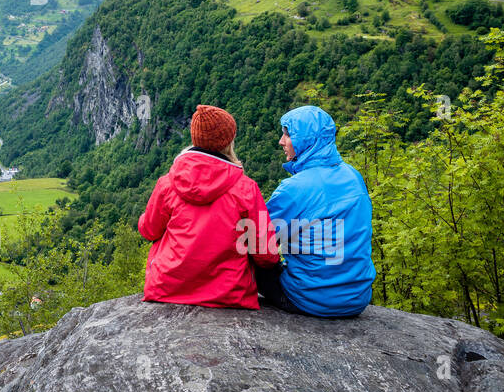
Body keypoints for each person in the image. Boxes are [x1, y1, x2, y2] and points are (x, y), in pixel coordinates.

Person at [139, 105, 280, 308]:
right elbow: (266, 253)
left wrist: (144, 217)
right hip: (228, 293)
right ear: (229, 140)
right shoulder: (246, 188)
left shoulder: (167, 183)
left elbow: (149, 231)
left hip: (168, 288)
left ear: (195, 138)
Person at [254, 105, 374, 318]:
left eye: (287, 134)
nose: (281, 141)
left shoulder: (295, 188)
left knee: (251, 255)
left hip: (310, 299)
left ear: (306, 140)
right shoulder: (354, 176)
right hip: (357, 298)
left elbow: (259, 239)